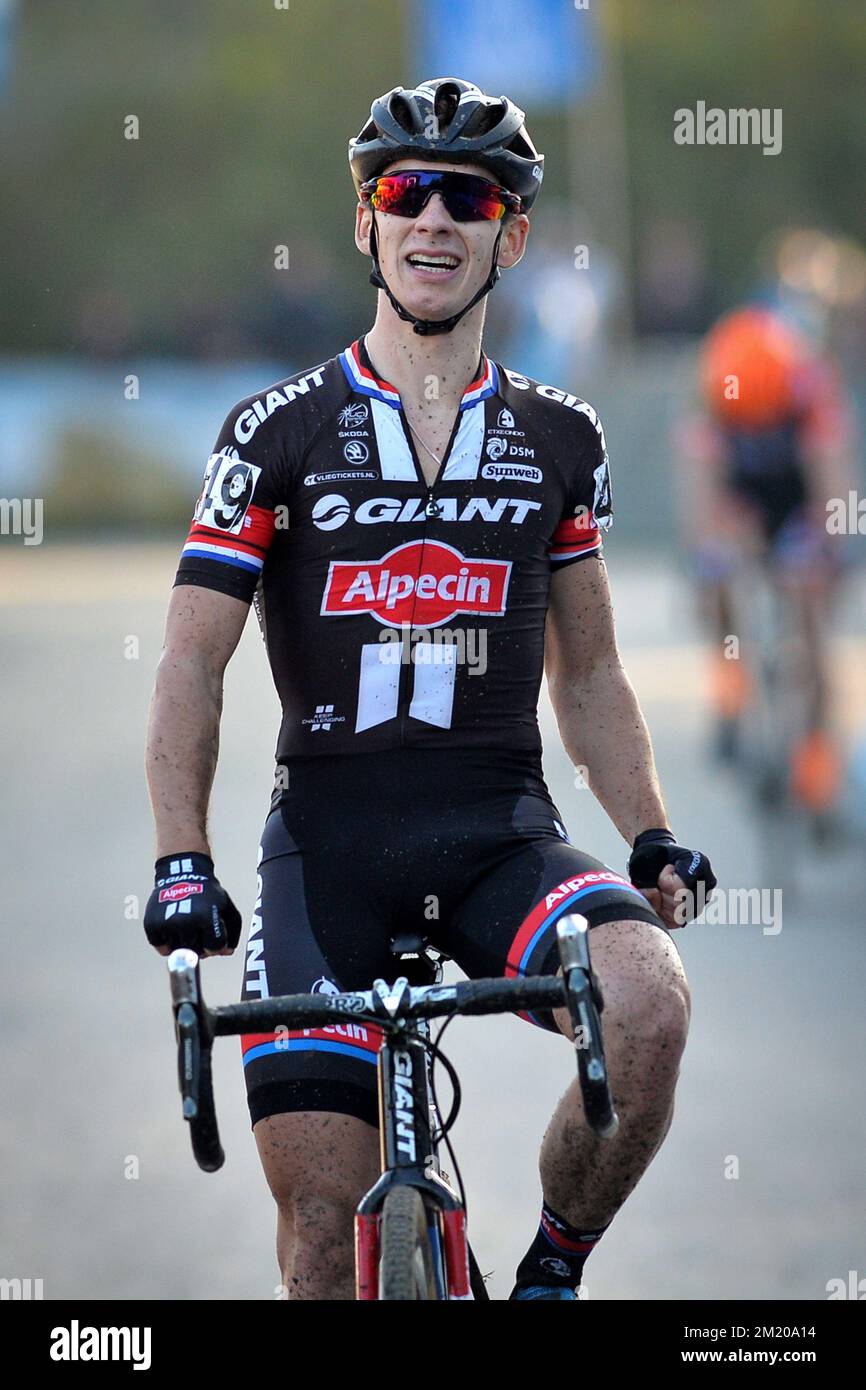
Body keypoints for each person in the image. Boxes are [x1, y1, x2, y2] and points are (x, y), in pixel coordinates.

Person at [144, 77, 715, 1301]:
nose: (434, 220)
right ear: (365, 224)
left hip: (497, 835)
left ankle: (549, 1276)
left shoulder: (561, 437)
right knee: (316, 1242)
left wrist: (649, 834)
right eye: (405, 193)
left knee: (648, 1008)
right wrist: (179, 859)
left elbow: (595, 670)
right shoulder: (272, 431)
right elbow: (193, 662)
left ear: (508, 235)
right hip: (329, 848)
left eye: (470, 197)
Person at [681, 304, 853, 809]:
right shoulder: (712, 395)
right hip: (743, 502)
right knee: (711, 577)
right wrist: (722, 544)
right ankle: (732, 687)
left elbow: (835, 488)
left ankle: (817, 761)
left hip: (798, 500)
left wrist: (827, 550)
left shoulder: (811, 391)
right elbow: (699, 500)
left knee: (814, 621)